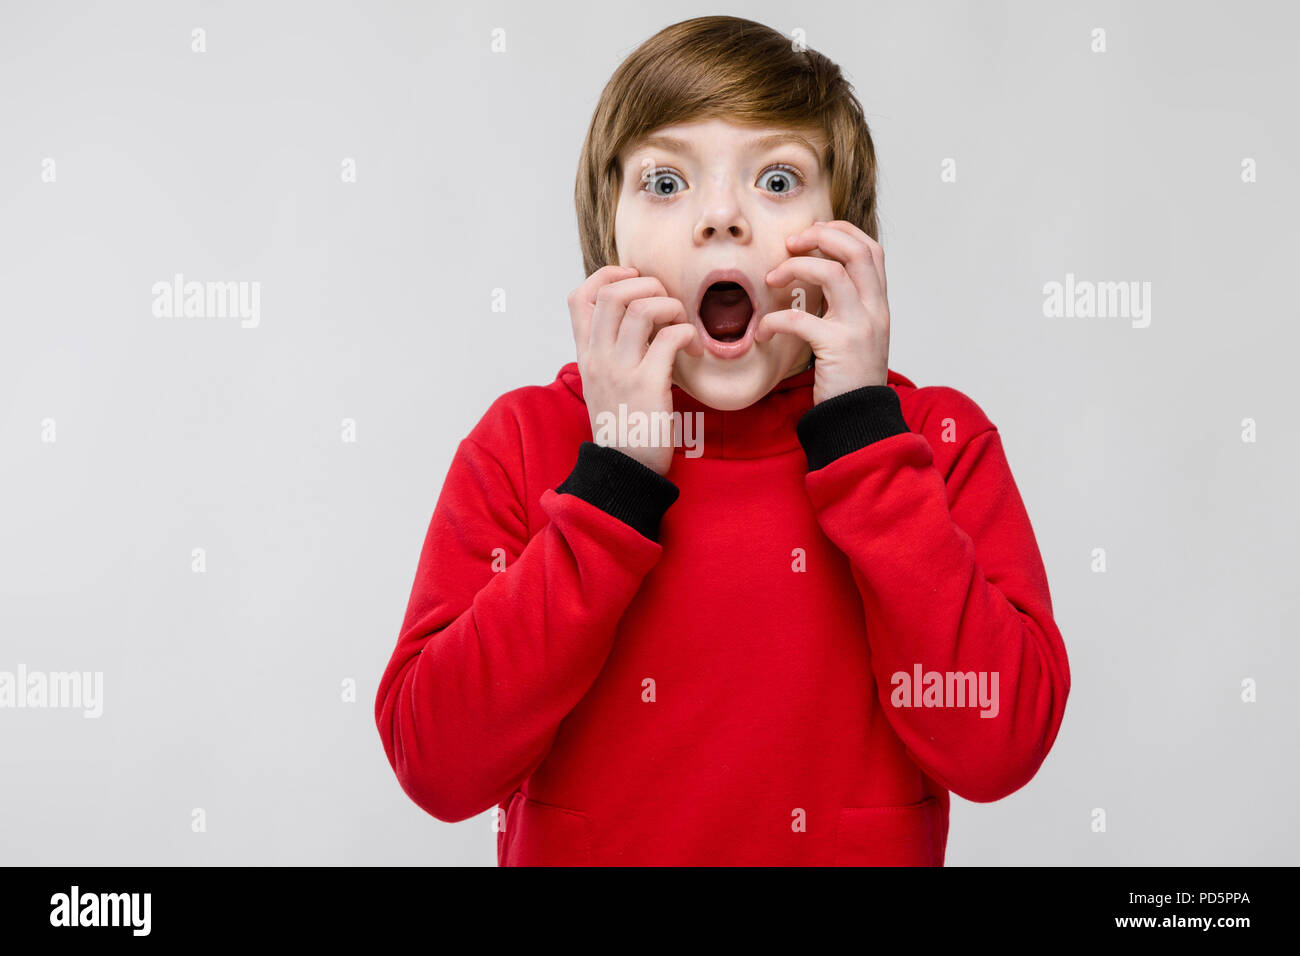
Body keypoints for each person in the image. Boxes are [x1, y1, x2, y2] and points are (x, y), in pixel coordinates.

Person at [374, 14, 1070, 866]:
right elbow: (438, 766)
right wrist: (616, 480)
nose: (721, 217)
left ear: (847, 233)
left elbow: (999, 747)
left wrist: (862, 441)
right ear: (609, 233)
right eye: (666, 184)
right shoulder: (525, 439)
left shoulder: (933, 440)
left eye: (777, 179)